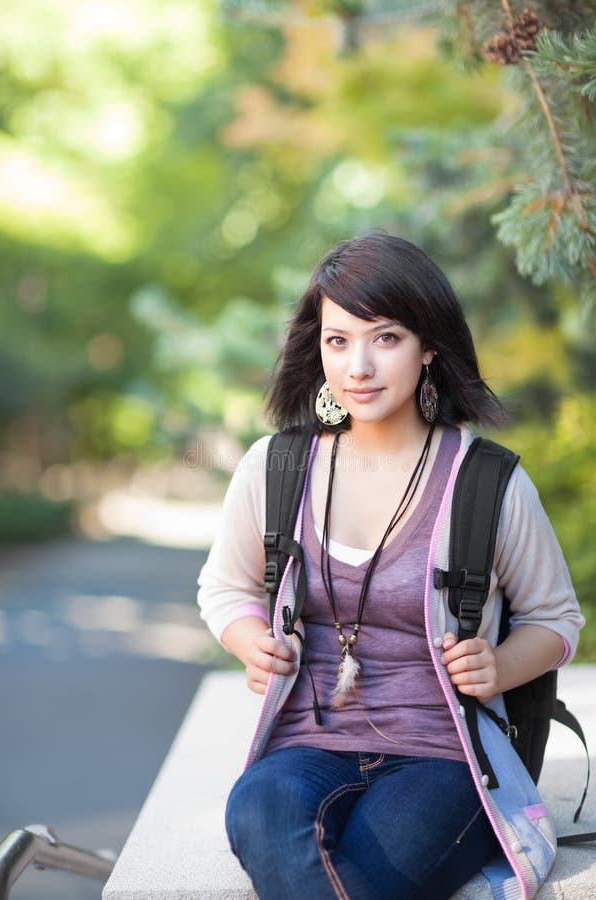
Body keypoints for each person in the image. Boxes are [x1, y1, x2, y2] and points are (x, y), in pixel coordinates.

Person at [197, 232, 584, 900]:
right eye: (338, 340)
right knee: (257, 812)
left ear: (429, 346)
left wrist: (501, 664)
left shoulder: (485, 482)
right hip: (304, 744)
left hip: (443, 756)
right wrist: (249, 640)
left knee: (373, 867)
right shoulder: (276, 467)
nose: (358, 367)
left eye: (386, 338)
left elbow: (557, 618)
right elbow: (224, 588)